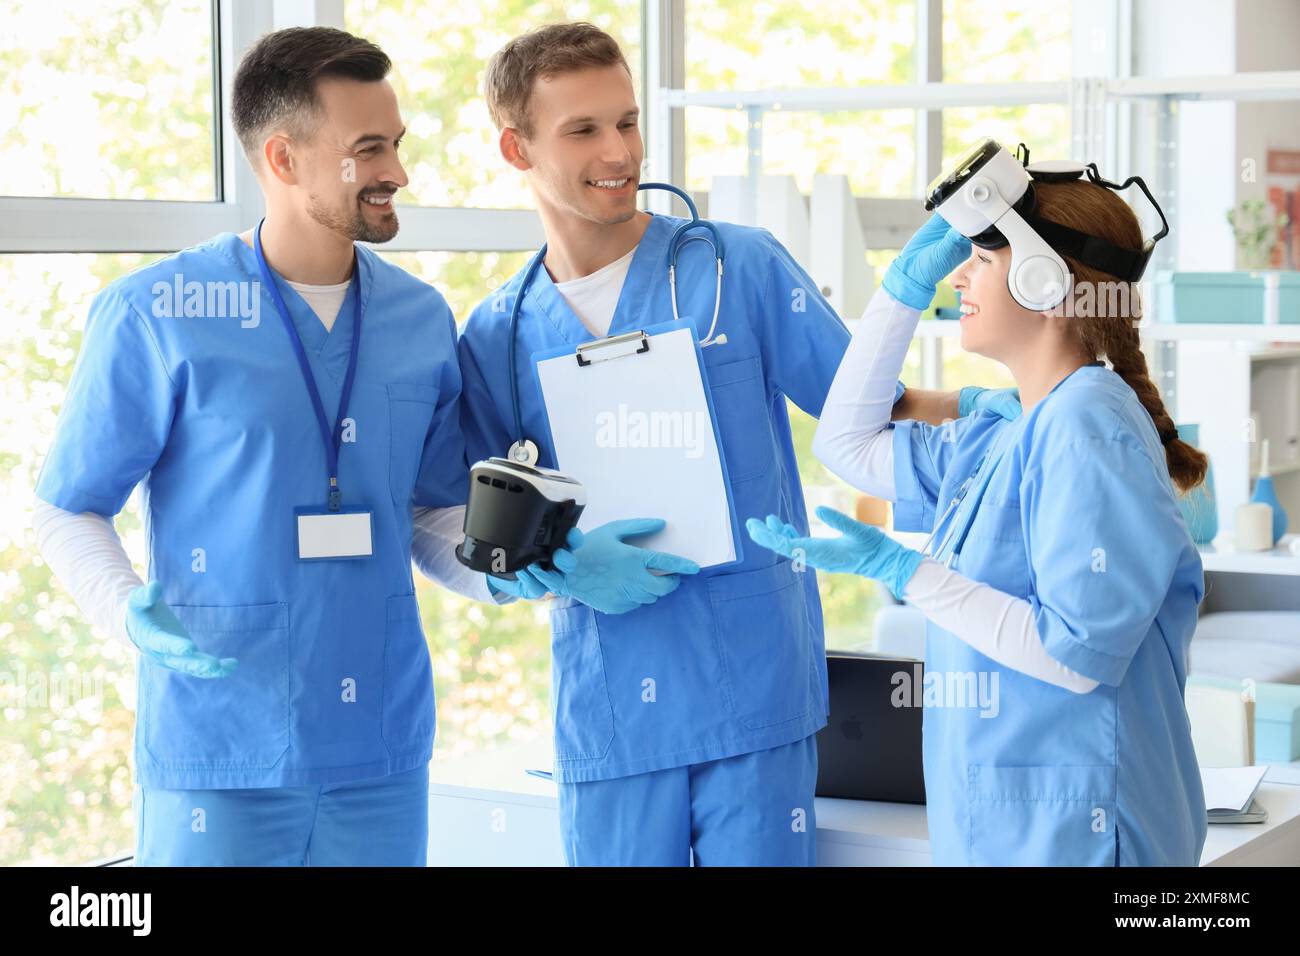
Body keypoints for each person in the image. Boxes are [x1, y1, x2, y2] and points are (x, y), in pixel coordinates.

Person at [458, 21, 1013, 866]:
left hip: (751, 685)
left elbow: (865, 410)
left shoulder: (736, 269)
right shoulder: (498, 332)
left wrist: (1012, 413)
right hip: (610, 702)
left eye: (628, 121)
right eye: (583, 130)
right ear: (515, 147)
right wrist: (552, 570)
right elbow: (476, 532)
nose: (620, 150)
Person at [32, 26, 496, 866]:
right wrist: (122, 606)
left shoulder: (420, 318)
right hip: (218, 753)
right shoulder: (158, 313)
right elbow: (69, 505)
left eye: (395, 143)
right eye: (369, 149)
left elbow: (429, 513)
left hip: (380, 751)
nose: (396, 171)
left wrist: (517, 570)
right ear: (283, 160)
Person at [746, 176, 1209, 866]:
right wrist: (901, 288)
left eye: (984, 259)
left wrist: (906, 572)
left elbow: (1073, 655)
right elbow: (843, 442)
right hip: (998, 829)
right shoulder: (1006, 431)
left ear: (1044, 279)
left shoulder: (1088, 426)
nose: (959, 275)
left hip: (1080, 832)